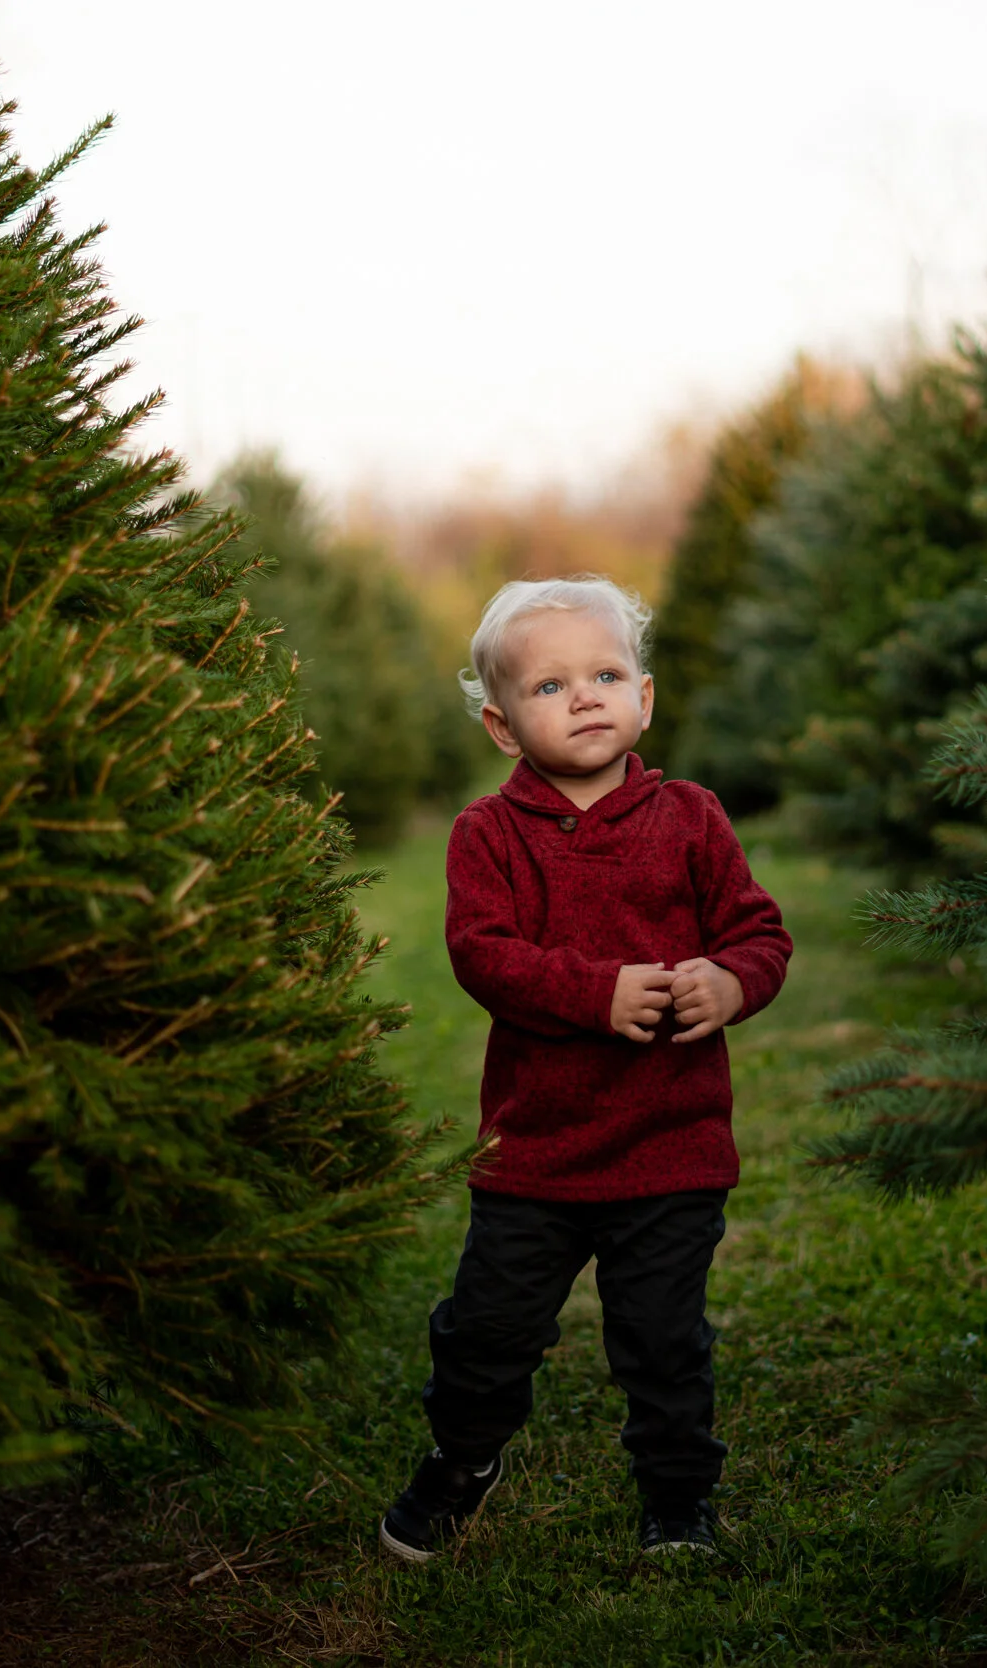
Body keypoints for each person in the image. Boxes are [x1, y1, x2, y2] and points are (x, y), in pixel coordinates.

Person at [376, 575, 792, 1563]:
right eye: (550, 686)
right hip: (539, 1150)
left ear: (644, 697)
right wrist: (595, 994)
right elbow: (484, 955)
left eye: (606, 674)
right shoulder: (488, 836)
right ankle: (464, 1460)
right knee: (487, 1328)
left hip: (671, 1142)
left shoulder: (690, 819)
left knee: (661, 1339)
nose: (587, 695)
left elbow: (758, 932)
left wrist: (730, 985)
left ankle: (677, 1498)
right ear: (503, 727)